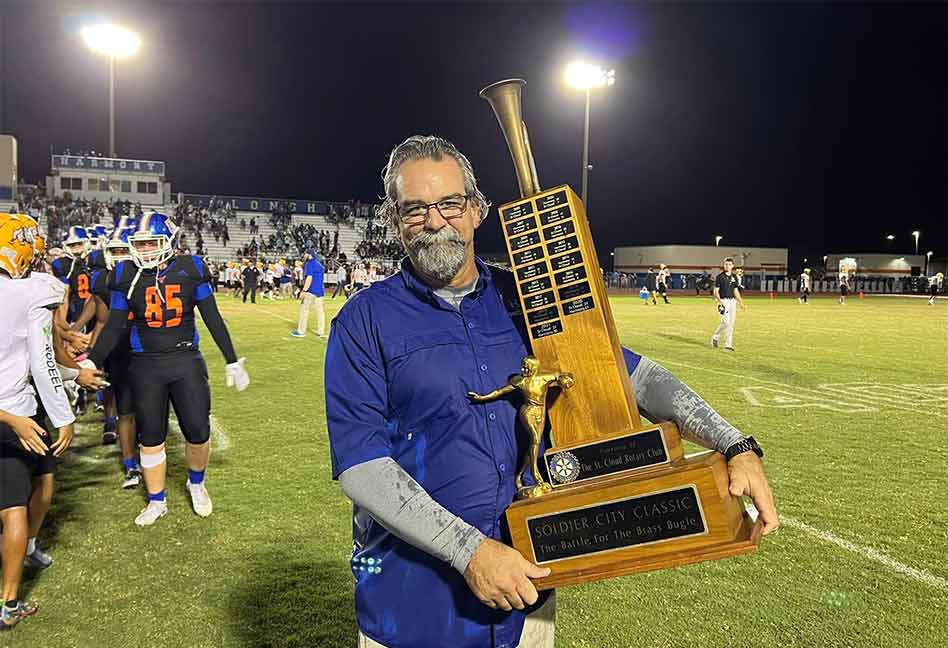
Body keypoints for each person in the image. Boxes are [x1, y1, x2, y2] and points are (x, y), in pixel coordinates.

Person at [325, 136, 778, 648]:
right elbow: (364, 468)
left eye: (450, 203)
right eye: (415, 209)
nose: (434, 221)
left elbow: (635, 376)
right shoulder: (363, 322)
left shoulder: (527, 303)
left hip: (531, 595)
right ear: (392, 218)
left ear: (476, 210)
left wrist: (735, 444)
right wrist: (469, 550)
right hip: (415, 608)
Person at [87, 212, 250, 526]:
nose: (146, 249)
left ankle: (197, 483)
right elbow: (113, 327)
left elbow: (213, 318)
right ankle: (157, 500)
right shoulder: (124, 274)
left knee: (198, 431)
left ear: (169, 242)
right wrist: (92, 361)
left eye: (152, 242)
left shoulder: (190, 268)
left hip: (186, 360)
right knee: (150, 437)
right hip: (146, 365)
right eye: (141, 243)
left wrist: (232, 358)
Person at [0, 213, 93, 630]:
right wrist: (62, 415)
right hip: (14, 414)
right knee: (13, 508)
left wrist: (75, 372)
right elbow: (40, 360)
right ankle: (8, 603)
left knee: (44, 483)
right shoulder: (37, 292)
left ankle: (29, 550)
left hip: (14, 410)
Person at [711, 257, 745, 352]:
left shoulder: (734, 277)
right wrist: (719, 302)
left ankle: (728, 345)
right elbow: (716, 291)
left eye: (729, 264)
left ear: (732, 266)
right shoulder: (719, 277)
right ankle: (716, 336)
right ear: (724, 265)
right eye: (726, 264)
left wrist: (741, 302)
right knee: (726, 322)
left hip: (732, 302)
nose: (727, 266)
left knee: (731, 324)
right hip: (723, 301)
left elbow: (735, 291)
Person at [292, 250, 325, 338]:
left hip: (311, 291)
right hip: (320, 291)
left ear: (309, 255)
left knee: (304, 310)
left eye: (305, 254)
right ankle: (321, 331)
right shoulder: (319, 265)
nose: (304, 255)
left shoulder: (309, 264)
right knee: (320, 312)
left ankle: (301, 331)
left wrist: (304, 291)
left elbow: (309, 278)